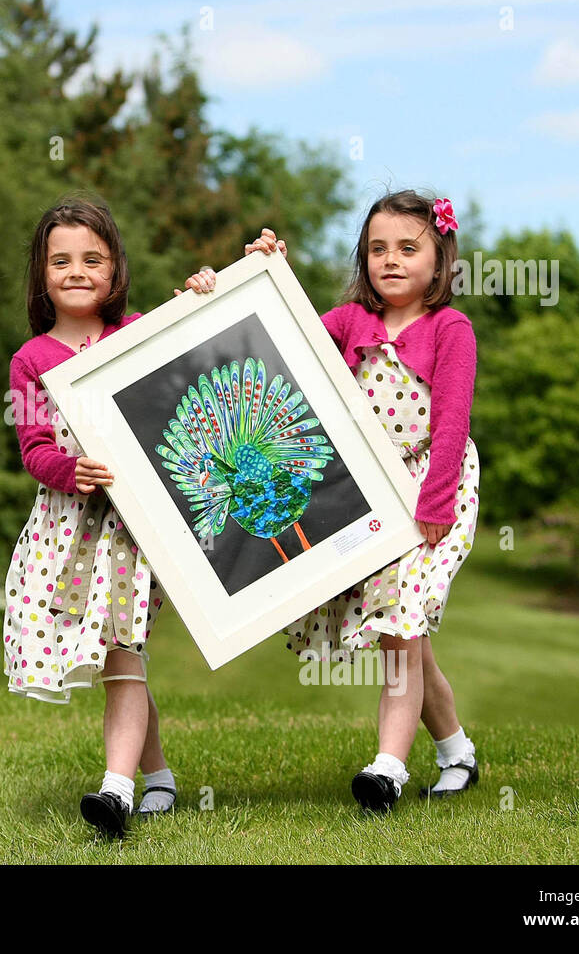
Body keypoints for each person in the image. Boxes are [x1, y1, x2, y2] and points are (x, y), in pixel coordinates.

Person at [180, 191, 481, 813]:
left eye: (407, 247)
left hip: (430, 486)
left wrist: (435, 506)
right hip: (368, 488)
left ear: (440, 256)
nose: (390, 260)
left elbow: (451, 422)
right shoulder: (349, 322)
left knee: (399, 621)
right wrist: (262, 277)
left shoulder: (449, 329)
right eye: (377, 249)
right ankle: (456, 753)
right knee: (408, 631)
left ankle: (388, 769)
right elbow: (286, 347)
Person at [5, 194, 189, 838]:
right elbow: (34, 449)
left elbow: (185, 358)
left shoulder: (132, 333)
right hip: (67, 531)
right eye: (61, 260)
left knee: (123, 651)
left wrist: (200, 296)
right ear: (42, 273)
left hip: (130, 531)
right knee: (120, 658)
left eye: (93, 258)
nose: (77, 271)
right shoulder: (31, 360)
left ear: (114, 270)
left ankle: (114, 794)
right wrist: (69, 470)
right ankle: (157, 777)